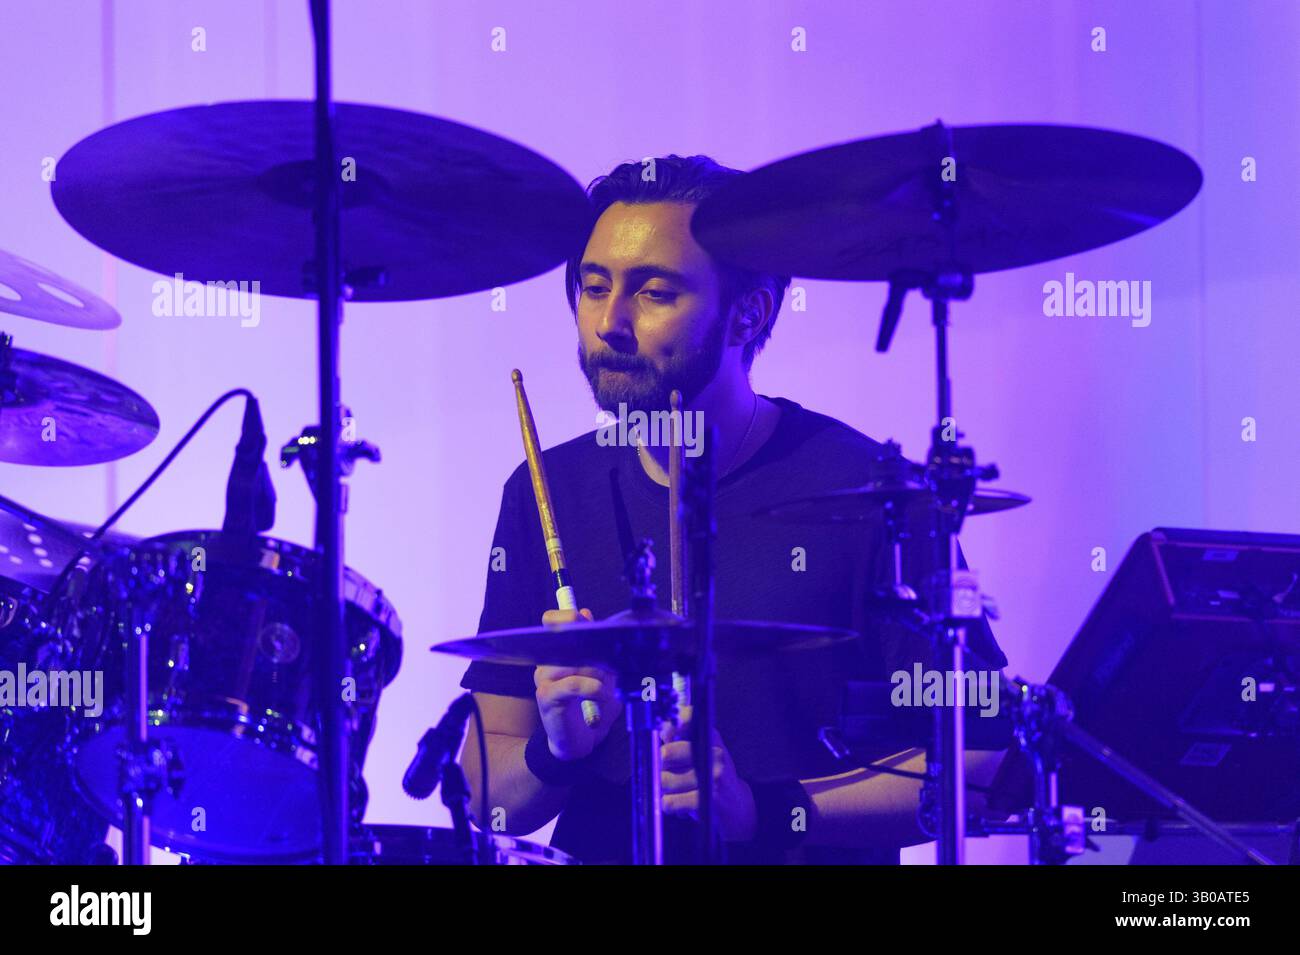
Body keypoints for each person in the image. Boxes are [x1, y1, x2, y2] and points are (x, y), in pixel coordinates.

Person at [458, 154, 1007, 864]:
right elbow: (481, 793)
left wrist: (763, 811)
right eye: (593, 288)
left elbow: (978, 757)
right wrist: (554, 752)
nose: (609, 322)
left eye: (654, 292)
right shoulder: (546, 486)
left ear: (751, 311)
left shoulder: (876, 492)